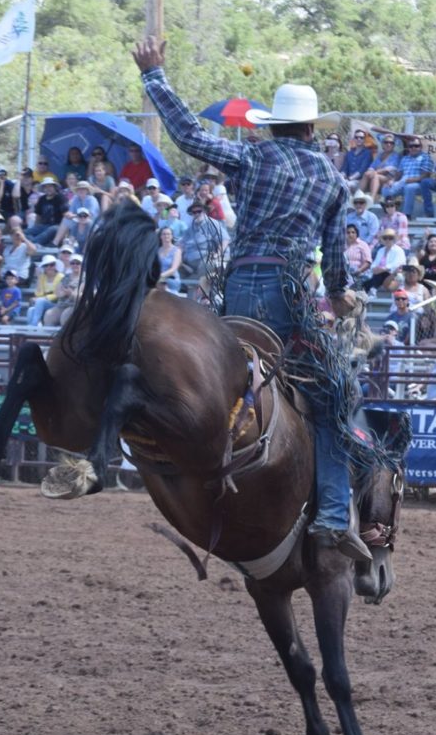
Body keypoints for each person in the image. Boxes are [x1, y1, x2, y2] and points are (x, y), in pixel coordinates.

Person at [136, 35, 372, 563]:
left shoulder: (255, 157)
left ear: (273, 125)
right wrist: (341, 300)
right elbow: (334, 268)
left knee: (206, 377)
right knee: (336, 396)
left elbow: (191, 136)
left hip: (239, 289)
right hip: (291, 300)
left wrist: (155, 76)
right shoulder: (333, 182)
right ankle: (334, 514)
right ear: (312, 128)